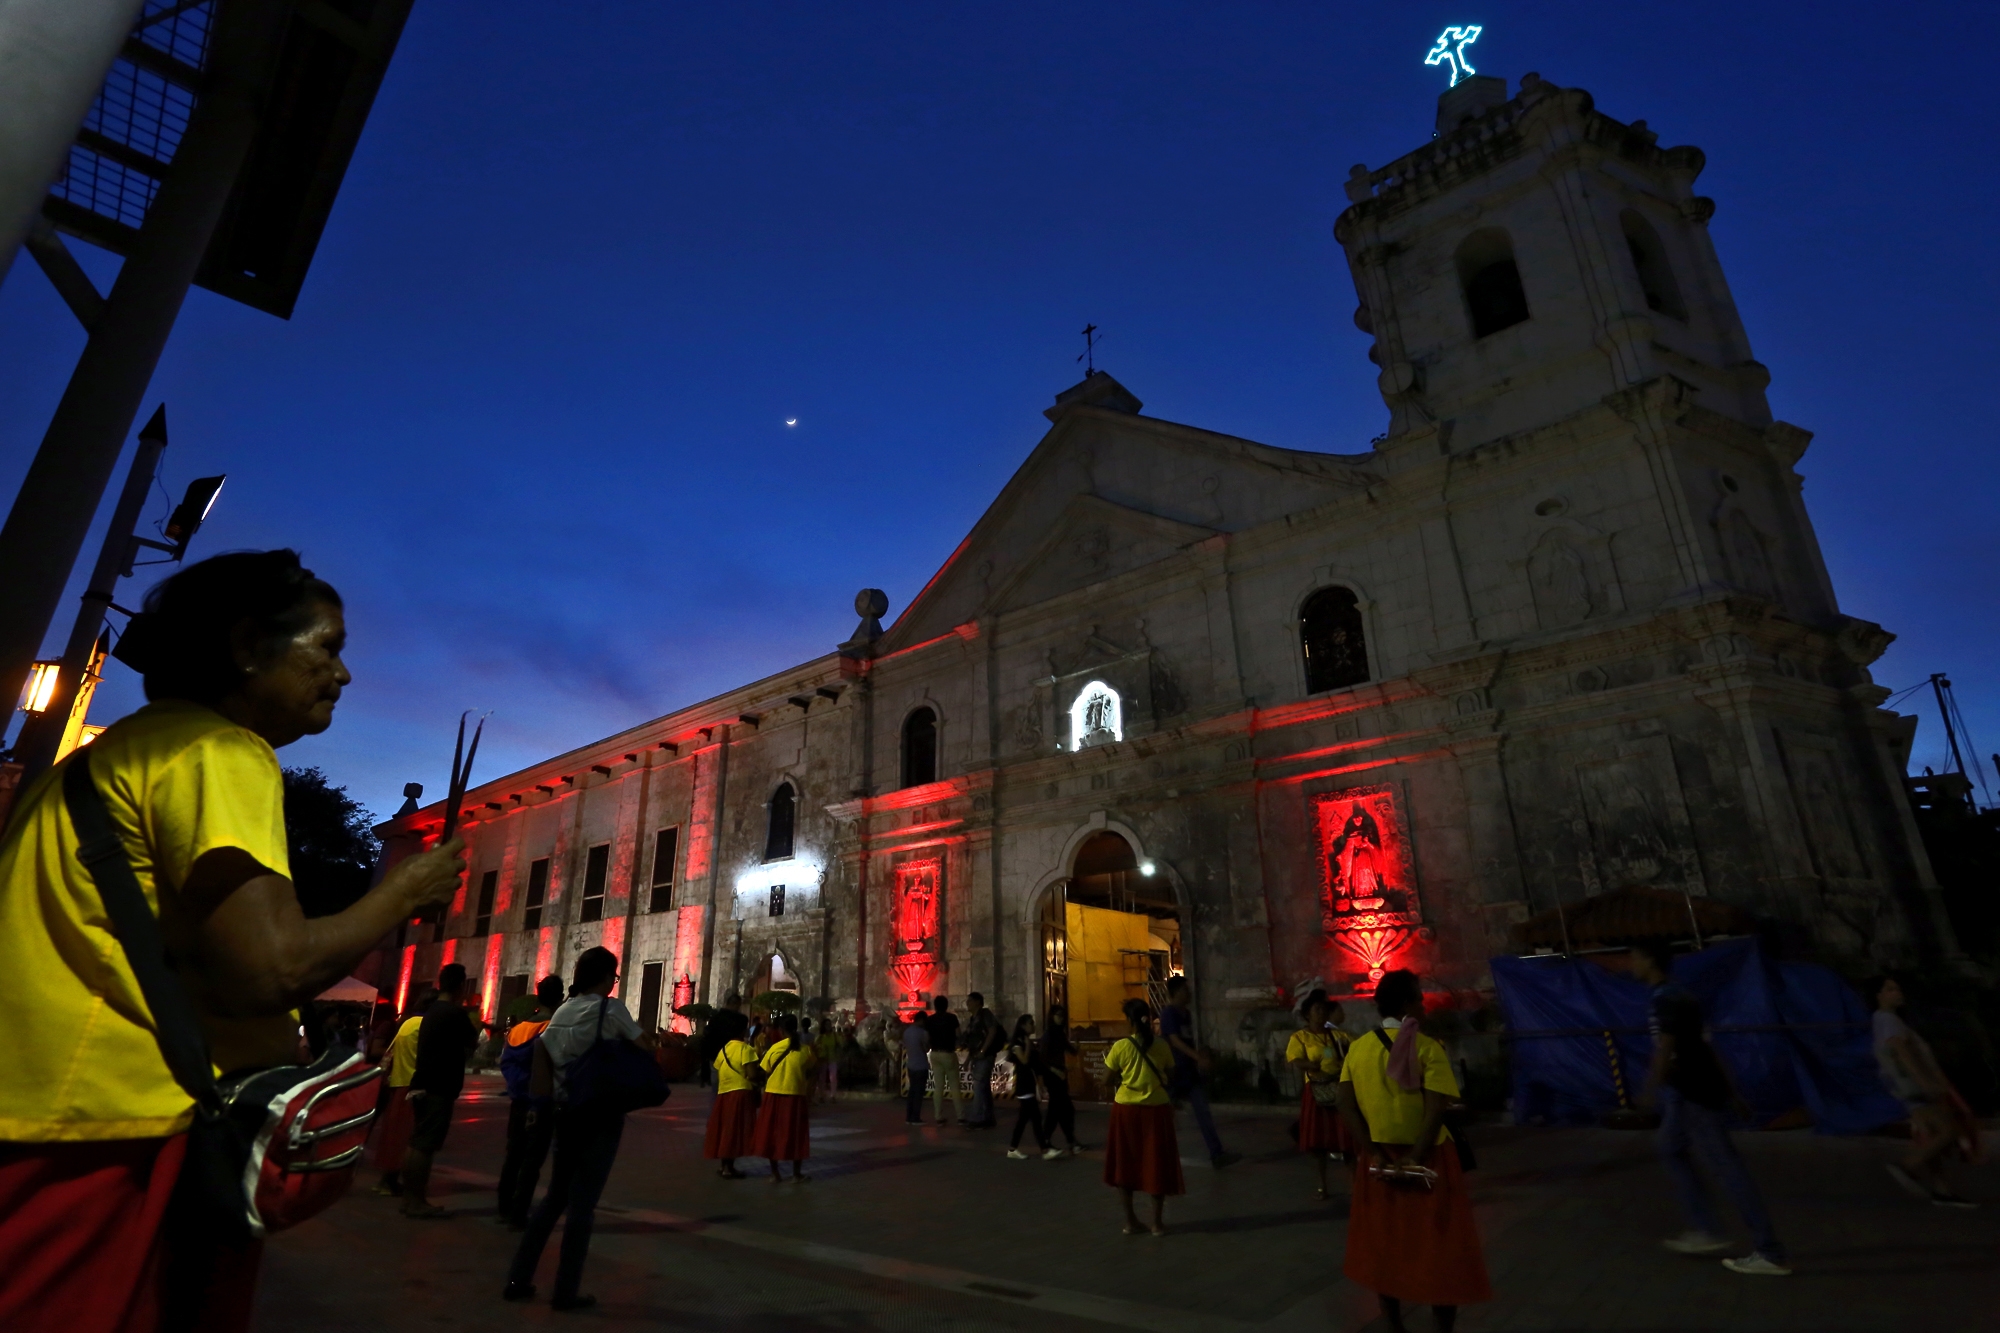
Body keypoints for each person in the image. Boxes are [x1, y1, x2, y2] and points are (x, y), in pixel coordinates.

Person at [0, 550, 466, 1333]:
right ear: (248, 644)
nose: (343, 674)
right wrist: (405, 892)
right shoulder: (220, 750)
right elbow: (271, 968)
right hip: (119, 1132)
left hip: (38, 1117)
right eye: (328, 646)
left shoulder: (88, 769)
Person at [1335, 969, 1491, 1333]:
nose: (1423, 1005)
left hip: (1380, 1162)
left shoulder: (1359, 1048)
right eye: (1419, 998)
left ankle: (1394, 1324)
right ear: (1407, 1004)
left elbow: (1345, 1103)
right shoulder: (1427, 1047)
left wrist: (1372, 1151)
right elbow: (1437, 1108)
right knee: (1441, 1246)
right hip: (1430, 1158)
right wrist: (1417, 1155)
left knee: (1384, 1244)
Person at [1628, 942, 1790, 1276]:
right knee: (1669, 1147)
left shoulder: (1667, 1000)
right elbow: (1708, 1047)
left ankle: (1769, 1251)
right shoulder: (1680, 996)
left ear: (1649, 960)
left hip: (1694, 1092)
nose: (1631, 965)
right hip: (1687, 1091)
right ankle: (1705, 1228)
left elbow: (1666, 1048)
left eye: (1634, 957)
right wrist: (1733, 1093)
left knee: (1726, 1167)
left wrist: (1647, 1091)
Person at [505, 947, 652, 1311]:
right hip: (599, 1114)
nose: (612, 984)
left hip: (563, 1113)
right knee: (583, 1205)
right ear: (604, 977)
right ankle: (566, 1291)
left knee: (555, 1197)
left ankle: (518, 1278)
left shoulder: (562, 1013)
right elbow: (645, 1046)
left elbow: (545, 1056)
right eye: (613, 977)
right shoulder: (610, 1009)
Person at [1874, 975, 1979, 1208]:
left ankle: (1942, 1191)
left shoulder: (1885, 1020)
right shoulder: (1888, 1020)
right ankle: (1908, 1165)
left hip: (1907, 1088)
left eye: (1898, 988)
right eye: (1891, 989)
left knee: (1933, 1135)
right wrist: (1925, 1082)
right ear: (1878, 996)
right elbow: (1901, 1053)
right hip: (1916, 1088)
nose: (1898, 993)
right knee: (1949, 1131)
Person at [397, 964, 480, 1219]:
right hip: (439, 1087)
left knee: (416, 1142)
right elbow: (471, 1041)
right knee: (425, 1146)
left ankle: (409, 1197)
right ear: (459, 986)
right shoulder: (454, 1013)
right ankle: (416, 1200)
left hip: (422, 1082)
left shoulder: (432, 1010)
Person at [1102, 998, 1183, 1235]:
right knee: (1156, 1163)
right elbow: (1172, 1073)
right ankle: (1157, 1223)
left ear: (1129, 1021)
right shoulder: (1161, 1045)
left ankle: (1131, 1221)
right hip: (1156, 1110)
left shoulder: (1121, 1047)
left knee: (1124, 1165)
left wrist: (1124, 1080)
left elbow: (1106, 1080)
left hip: (1126, 1110)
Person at [496, 974, 567, 1228]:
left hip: (518, 1101)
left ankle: (503, 1207)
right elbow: (551, 1067)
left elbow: (506, 1063)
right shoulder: (551, 1029)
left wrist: (517, 1088)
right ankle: (518, 1213)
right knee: (531, 1161)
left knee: (513, 1154)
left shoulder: (516, 1030)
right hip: (540, 1102)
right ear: (560, 998)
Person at [1160, 975, 1240, 1168]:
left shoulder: (1185, 1014)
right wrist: (1198, 1057)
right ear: (1176, 992)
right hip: (1174, 1072)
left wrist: (1199, 1056)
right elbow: (1175, 1040)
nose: (1189, 993)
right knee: (1163, 1116)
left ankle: (1216, 1153)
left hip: (1188, 1072)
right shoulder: (1169, 1013)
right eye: (1185, 990)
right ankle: (1155, 1154)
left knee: (1203, 1112)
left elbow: (1186, 1039)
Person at [1287, 988, 1350, 1198]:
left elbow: (1353, 1051)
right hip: (1316, 1091)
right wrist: (1310, 1065)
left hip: (1339, 1088)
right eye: (1316, 1010)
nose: (1321, 1013)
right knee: (1319, 1144)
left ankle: (1356, 1183)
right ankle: (1322, 1184)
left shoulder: (1338, 1035)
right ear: (1307, 1014)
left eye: (1323, 1010)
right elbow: (1296, 1060)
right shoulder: (1300, 1037)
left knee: (1347, 1140)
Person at [371, 991, 431, 1196]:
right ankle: (400, 1184)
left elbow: (390, 1053)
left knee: (393, 1136)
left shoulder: (406, 1023)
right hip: (414, 1085)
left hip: (397, 1083)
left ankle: (387, 1180)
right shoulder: (425, 1025)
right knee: (409, 1139)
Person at [751, 1013, 817, 1181]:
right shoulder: (805, 1050)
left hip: (773, 1095)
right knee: (796, 1134)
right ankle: (796, 1174)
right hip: (796, 1096)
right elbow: (811, 1069)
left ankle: (775, 1174)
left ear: (780, 1030)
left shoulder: (774, 1049)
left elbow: (765, 1070)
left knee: (772, 1134)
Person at [704, 1009, 758, 1178]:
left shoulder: (724, 1049)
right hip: (740, 1093)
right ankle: (729, 1168)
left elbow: (719, 1068)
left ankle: (724, 1166)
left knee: (725, 1129)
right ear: (743, 1031)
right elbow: (752, 1073)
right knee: (735, 1131)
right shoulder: (746, 1049)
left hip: (724, 1093)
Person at [1003, 1013, 1056, 1160]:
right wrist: (1027, 1045)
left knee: (1024, 1119)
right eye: (1030, 1023)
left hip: (1029, 1084)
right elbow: (1024, 1060)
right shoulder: (1017, 1044)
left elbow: (1036, 1063)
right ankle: (1044, 1150)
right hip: (1023, 1086)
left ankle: (1013, 1149)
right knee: (1035, 1119)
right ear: (1023, 1025)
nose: (1033, 1026)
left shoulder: (1025, 1041)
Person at [1039, 1003, 1083, 1154]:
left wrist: (1076, 1044)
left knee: (1062, 1109)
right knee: (1060, 1109)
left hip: (1060, 1075)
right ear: (1052, 1017)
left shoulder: (1059, 1033)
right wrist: (1056, 1071)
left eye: (1062, 1016)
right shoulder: (1049, 1035)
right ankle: (1061, 1140)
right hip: (1053, 1076)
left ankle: (1066, 1140)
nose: (1061, 1019)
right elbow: (1043, 1059)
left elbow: (1071, 1050)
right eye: (1058, 1016)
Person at [963, 991, 1005, 1128]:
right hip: (977, 1056)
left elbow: (992, 1031)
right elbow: (973, 1041)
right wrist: (968, 1059)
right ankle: (988, 1118)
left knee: (979, 1086)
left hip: (985, 1056)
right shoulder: (973, 1018)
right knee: (984, 1087)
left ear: (977, 1002)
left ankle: (976, 1118)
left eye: (970, 1001)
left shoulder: (985, 1014)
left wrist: (983, 1050)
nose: (967, 1003)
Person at [924, 995, 966, 1127]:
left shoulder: (929, 1020)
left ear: (935, 1006)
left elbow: (926, 1037)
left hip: (935, 1053)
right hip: (948, 1053)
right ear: (946, 1005)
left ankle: (938, 1116)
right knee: (954, 1086)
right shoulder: (952, 1018)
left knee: (938, 1087)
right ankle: (960, 1117)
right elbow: (959, 1034)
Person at [901, 1010, 932, 1124]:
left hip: (911, 1065)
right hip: (921, 1065)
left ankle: (909, 1117)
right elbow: (926, 1048)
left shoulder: (906, 1032)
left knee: (912, 1091)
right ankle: (916, 1117)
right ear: (922, 1020)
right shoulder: (923, 1033)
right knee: (919, 1093)